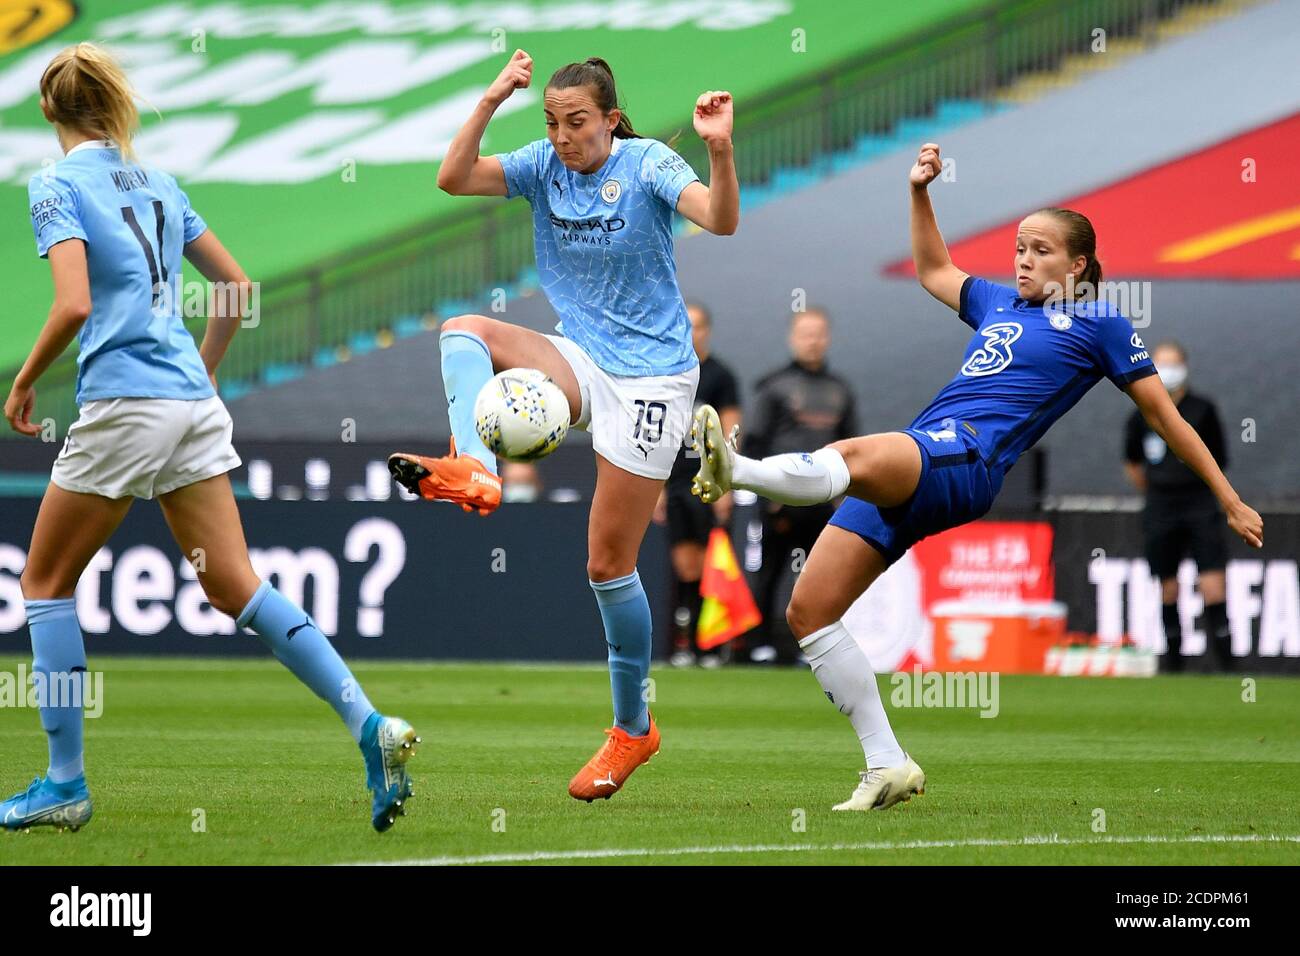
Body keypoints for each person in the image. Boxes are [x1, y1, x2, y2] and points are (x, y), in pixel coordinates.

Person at [690, 141, 1263, 811]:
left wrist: (1228, 497)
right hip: (930, 456)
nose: (1023, 257)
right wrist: (919, 190)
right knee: (809, 613)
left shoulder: (1101, 322)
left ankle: (739, 469)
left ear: (1078, 266)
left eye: (1041, 250)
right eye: (1020, 246)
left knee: (858, 456)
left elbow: (1167, 418)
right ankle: (886, 765)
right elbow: (934, 268)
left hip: (966, 459)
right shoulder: (998, 303)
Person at [1, 43, 418, 834]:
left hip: (125, 401)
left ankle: (63, 782)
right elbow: (237, 286)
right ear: (112, 104)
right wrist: (207, 368)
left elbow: (73, 305)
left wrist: (23, 383)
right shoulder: (159, 182)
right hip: (189, 403)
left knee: (46, 586)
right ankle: (370, 725)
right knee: (236, 586)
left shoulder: (56, 183)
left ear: (51, 111)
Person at [386, 51, 738, 801]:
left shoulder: (646, 164)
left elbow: (722, 219)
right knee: (464, 330)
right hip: (580, 354)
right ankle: (476, 467)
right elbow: (452, 177)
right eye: (551, 121)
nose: (563, 135)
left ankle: (631, 729)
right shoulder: (541, 164)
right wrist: (489, 99)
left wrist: (718, 148)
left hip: (653, 378)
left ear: (611, 119)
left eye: (577, 121)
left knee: (607, 563)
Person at [745, 307, 857, 664]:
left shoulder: (840, 390)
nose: (813, 341)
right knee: (770, 573)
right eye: (806, 333)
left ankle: (811, 648)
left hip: (824, 503)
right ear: (793, 338)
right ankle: (759, 644)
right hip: (781, 499)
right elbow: (755, 443)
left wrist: (845, 498)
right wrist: (767, 496)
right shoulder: (773, 387)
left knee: (819, 579)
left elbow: (853, 446)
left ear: (828, 338)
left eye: (819, 333)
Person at [1124, 341, 1232, 672]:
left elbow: (1220, 458)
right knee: (1167, 585)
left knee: (1212, 583)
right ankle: (1173, 665)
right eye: (1161, 364)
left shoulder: (1203, 409)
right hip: (1160, 505)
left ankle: (1228, 666)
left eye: (1173, 364)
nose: (1167, 371)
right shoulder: (1141, 411)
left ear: (1184, 366)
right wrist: (1158, 487)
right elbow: (1133, 463)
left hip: (1200, 503)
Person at [654, 301, 741, 668]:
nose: (693, 333)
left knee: (710, 565)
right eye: (686, 325)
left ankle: (710, 646)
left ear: (708, 330)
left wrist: (728, 483)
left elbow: (731, 434)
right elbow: (654, 435)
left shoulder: (721, 376)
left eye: (699, 326)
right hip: (675, 484)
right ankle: (682, 645)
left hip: (708, 482)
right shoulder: (666, 374)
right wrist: (655, 486)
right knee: (684, 567)